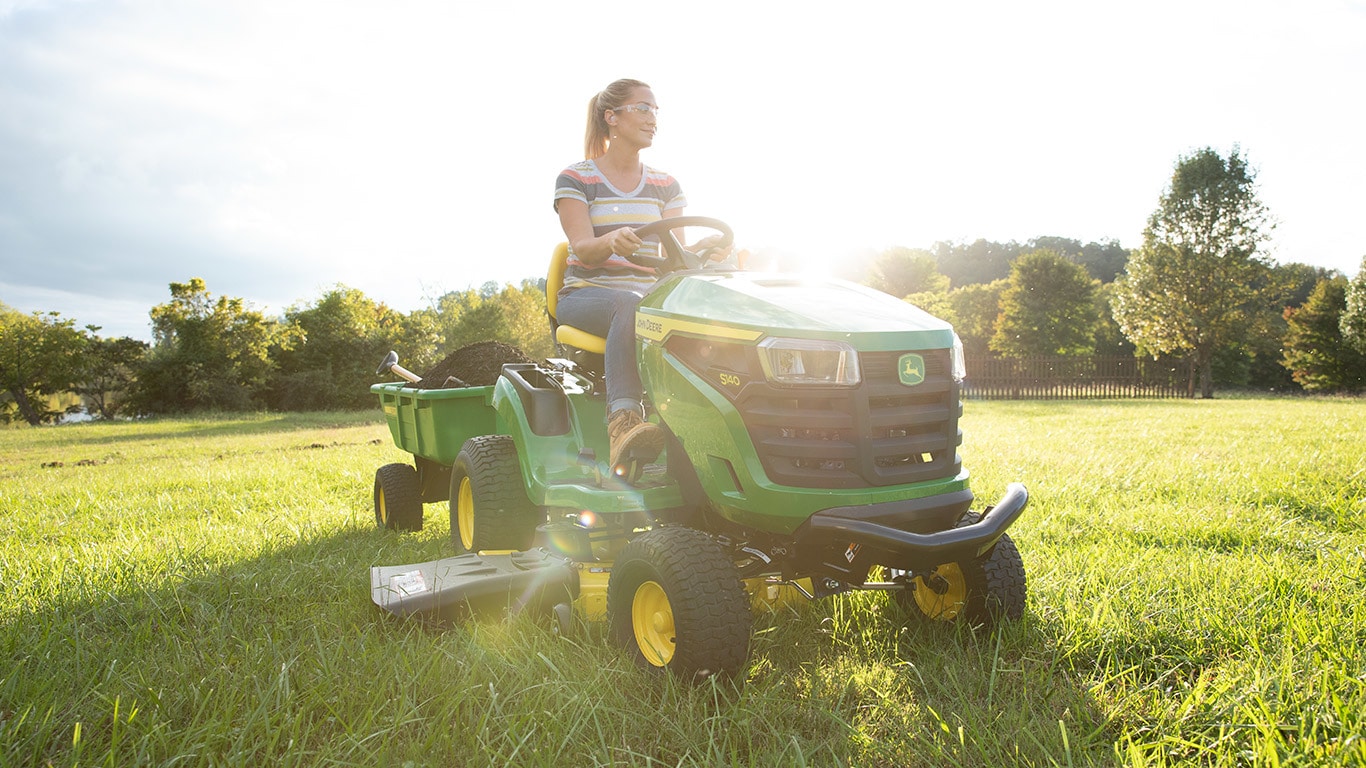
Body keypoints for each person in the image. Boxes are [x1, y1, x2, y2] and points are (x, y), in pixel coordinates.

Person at [553, 78, 725, 472]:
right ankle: (623, 421)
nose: (653, 119)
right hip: (588, 295)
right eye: (643, 108)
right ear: (611, 117)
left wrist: (705, 251)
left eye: (656, 110)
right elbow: (582, 247)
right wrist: (610, 241)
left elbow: (675, 257)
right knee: (628, 303)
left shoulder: (666, 185)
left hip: (647, 299)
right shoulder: (576, 179)